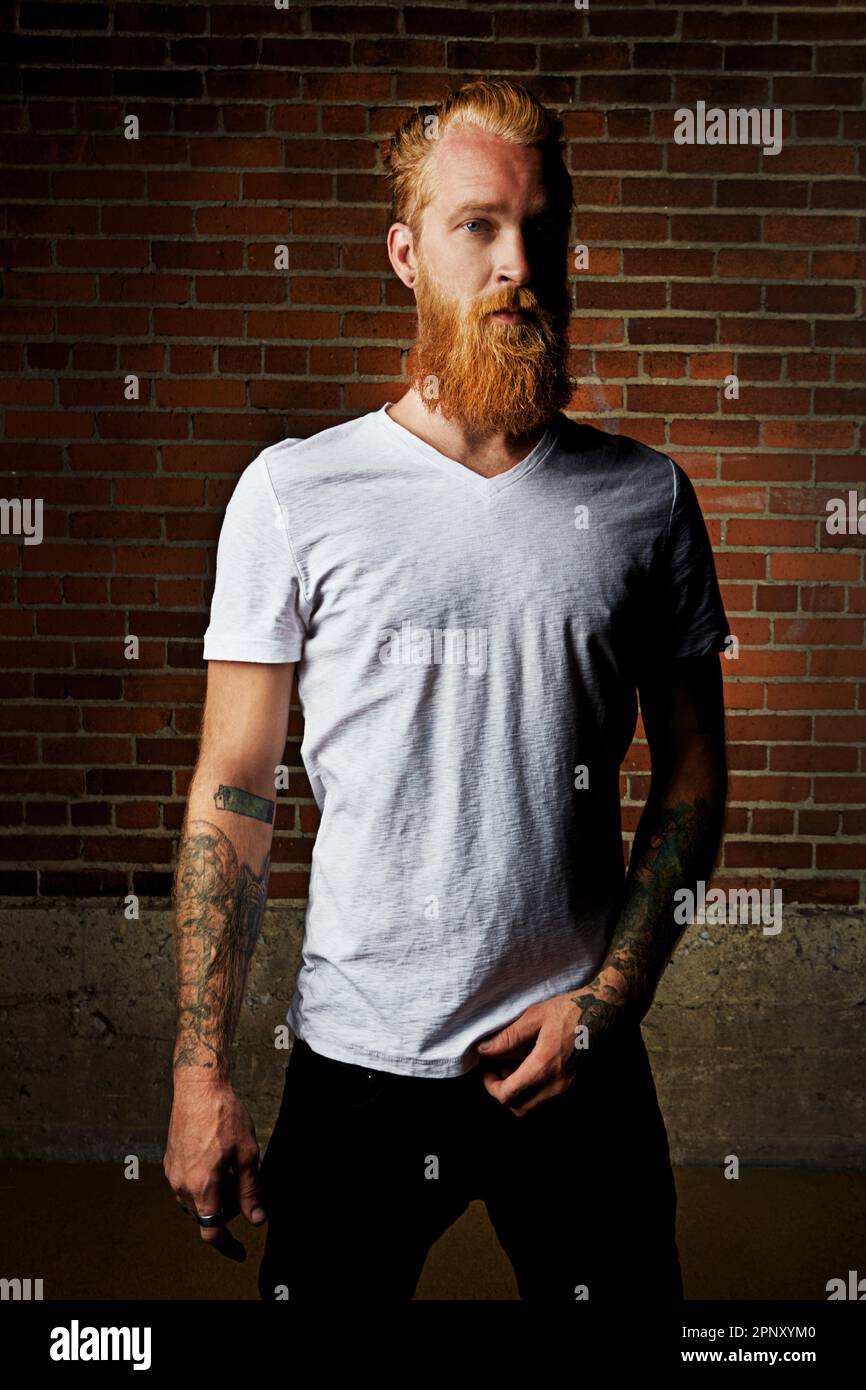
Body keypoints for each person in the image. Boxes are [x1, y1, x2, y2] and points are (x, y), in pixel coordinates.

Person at [164, 77, 729, 1302]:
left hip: (572, 1058)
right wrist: (200, 1071)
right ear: (405, 252)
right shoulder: (293, 494)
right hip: (356, 1066)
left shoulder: (643, 500)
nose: (514, 262)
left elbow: (691, 765)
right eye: (476, 226)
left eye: (537, 227)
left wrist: (608, 1002)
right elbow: (235, 794)